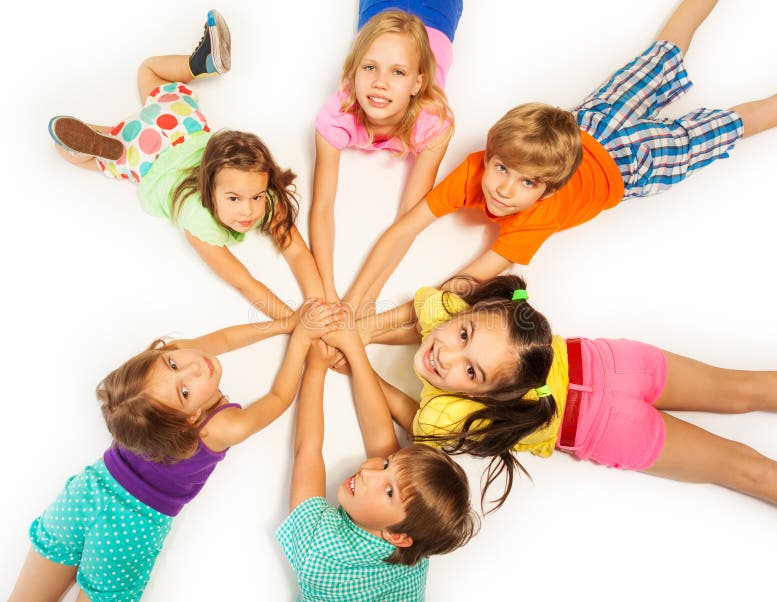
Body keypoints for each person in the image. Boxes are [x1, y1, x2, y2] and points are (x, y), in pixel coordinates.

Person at [343, 0, 777, 317]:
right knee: (667, 52)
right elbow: (404, 228)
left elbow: (458, 286)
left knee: (738, 121)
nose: (503, 189)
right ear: (492, 155)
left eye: (526, 183)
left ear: (549, 189)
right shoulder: (477, 169)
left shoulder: (537, 218)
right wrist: (356, 302)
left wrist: (369, 330)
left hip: (635, 164)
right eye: (502, 169)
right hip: (592, 122)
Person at [354, 273, 777, 516]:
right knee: (745, 424)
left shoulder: (444, 408)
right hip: (615, 378)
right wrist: (362, 338)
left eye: (466, 339)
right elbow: (434, 310)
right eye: (472, 370)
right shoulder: (462, 324)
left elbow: (416, 414)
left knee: (745, 443)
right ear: (496, 392)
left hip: (614, 394)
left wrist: (359, 350)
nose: (447, 355)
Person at [9, 301, 344, 601]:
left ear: (159, 355)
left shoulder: (172, 360)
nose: (194, 367)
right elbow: (279, 398)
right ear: (191, 421)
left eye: (172, 364)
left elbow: (224, 341)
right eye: (184, 392)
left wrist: (285, 324)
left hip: (84, 495)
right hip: (130, 528)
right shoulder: (221, 427)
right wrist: (300, 340)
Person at [48, 10, 322, 319]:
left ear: (265, 185)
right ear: (208, 189)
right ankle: (96, 143)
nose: (248, 210)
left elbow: (295, 253)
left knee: (148, 70)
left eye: (256, 197)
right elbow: (244, 280)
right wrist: (293, 320)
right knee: (77, 158)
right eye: (234, 199)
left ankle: (195, 66)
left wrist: (319, 303)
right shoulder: (199, 219)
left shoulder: (259, 190)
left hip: (180, 123)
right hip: (145, 156)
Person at [277, 322, 477, 601]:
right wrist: (354, 352)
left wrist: (315, 369)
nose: (369, 473)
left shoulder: (320, 552)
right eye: (386, 466)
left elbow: (307, 451)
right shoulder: (415, 538)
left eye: (388, 491)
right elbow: (381, 437)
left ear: (397, 537)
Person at [311, 0, 462, 302]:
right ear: (353, 72)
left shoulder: (435, 123)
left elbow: (409, 219)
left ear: (418, 83)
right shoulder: (336, 116)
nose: (380, 83)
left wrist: (366, 298)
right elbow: (323, 207)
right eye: (369, 68)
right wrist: (328, 292)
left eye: (398, 73)